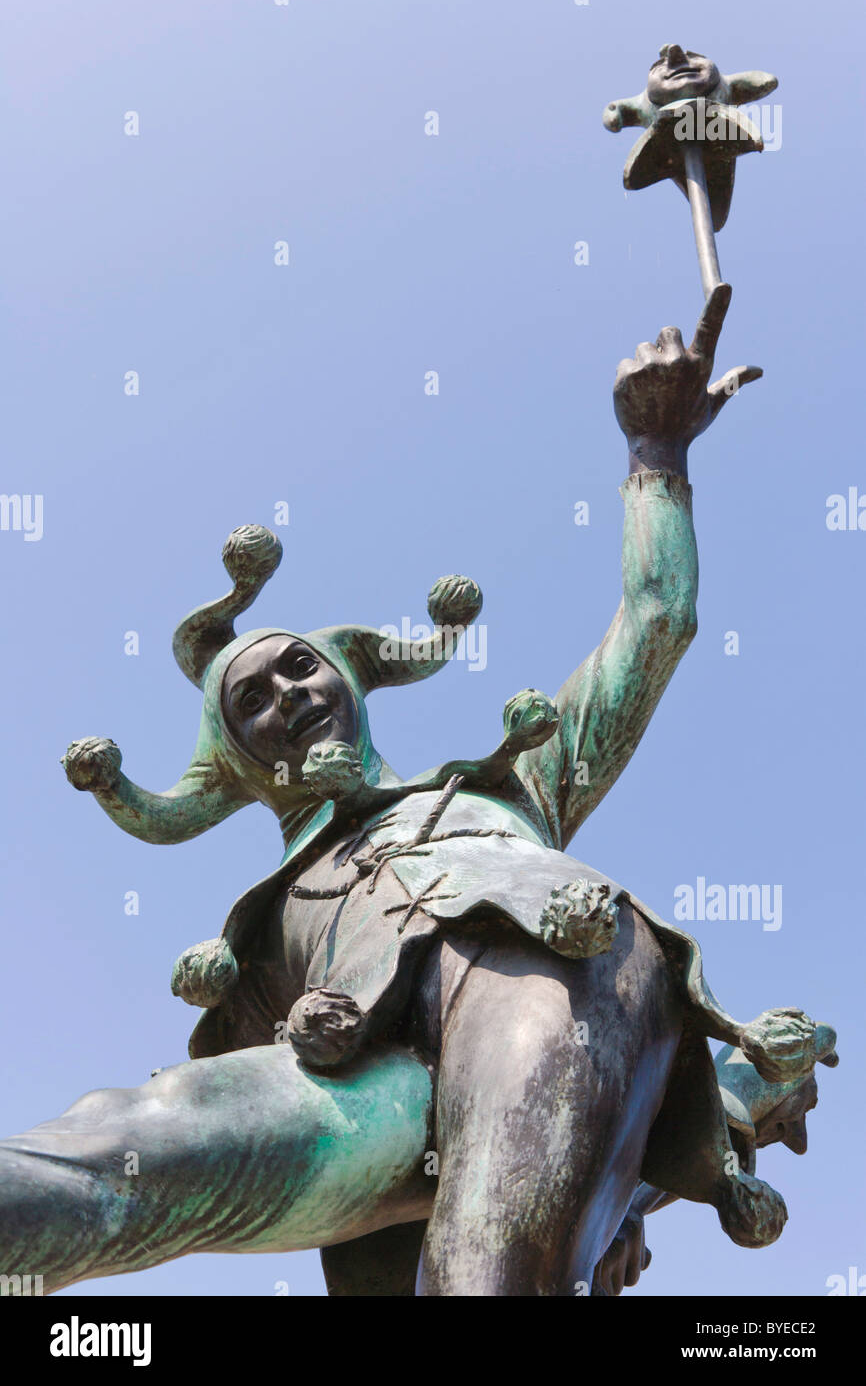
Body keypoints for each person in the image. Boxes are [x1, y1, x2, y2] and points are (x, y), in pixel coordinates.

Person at [0, 286, 829, 1296]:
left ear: (348, 680)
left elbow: (657, 621)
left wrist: (654, 455)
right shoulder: (261, 934)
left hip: (539, 971)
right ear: (238, 762)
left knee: (487, 1271)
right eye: (248, 700)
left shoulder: (515, 783)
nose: (283, 696)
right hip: (353, 1082)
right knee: (112, 1151)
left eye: (298, 667)